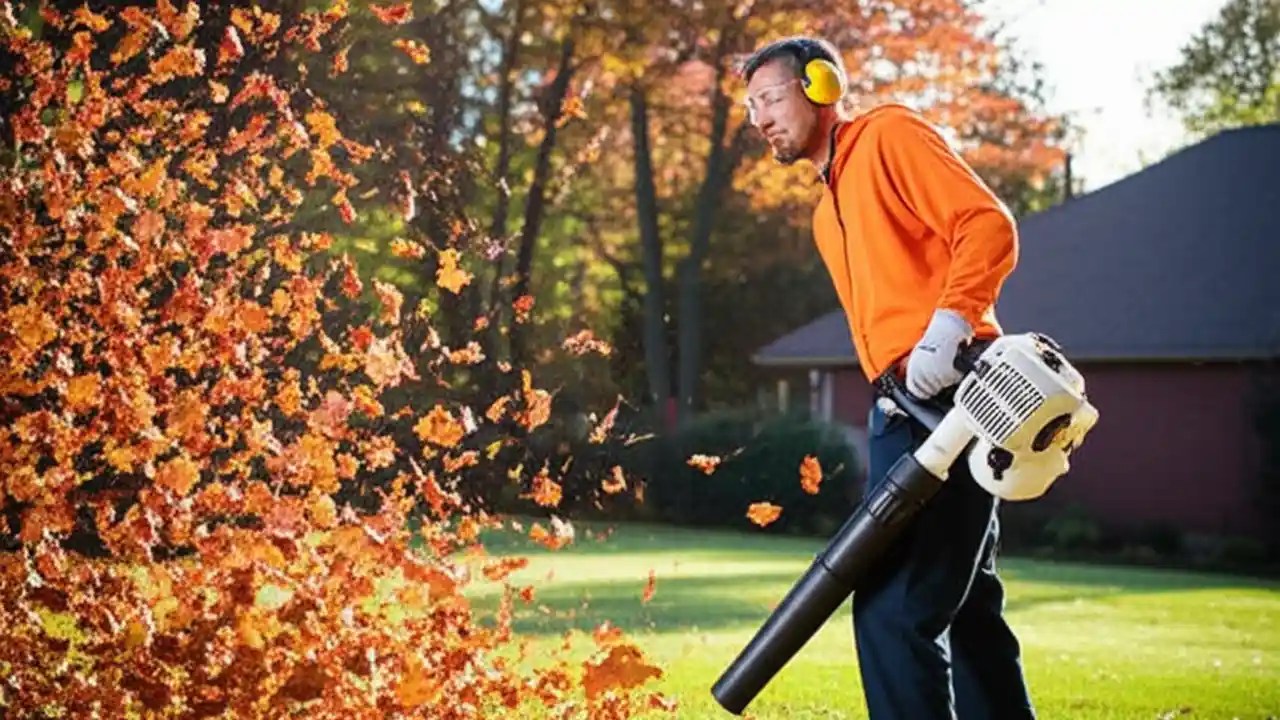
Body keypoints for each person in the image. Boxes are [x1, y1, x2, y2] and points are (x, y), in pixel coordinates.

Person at [740, 36, 1036, 720]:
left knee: (894, 609)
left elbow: (987, 225)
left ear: (822, 86)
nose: (760, 120)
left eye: (772, 99)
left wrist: (950, 323)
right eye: (752, 107)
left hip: (955, 401)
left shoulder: (888, 136)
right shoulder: (826, 213)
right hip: (903, 408)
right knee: (966, 609)